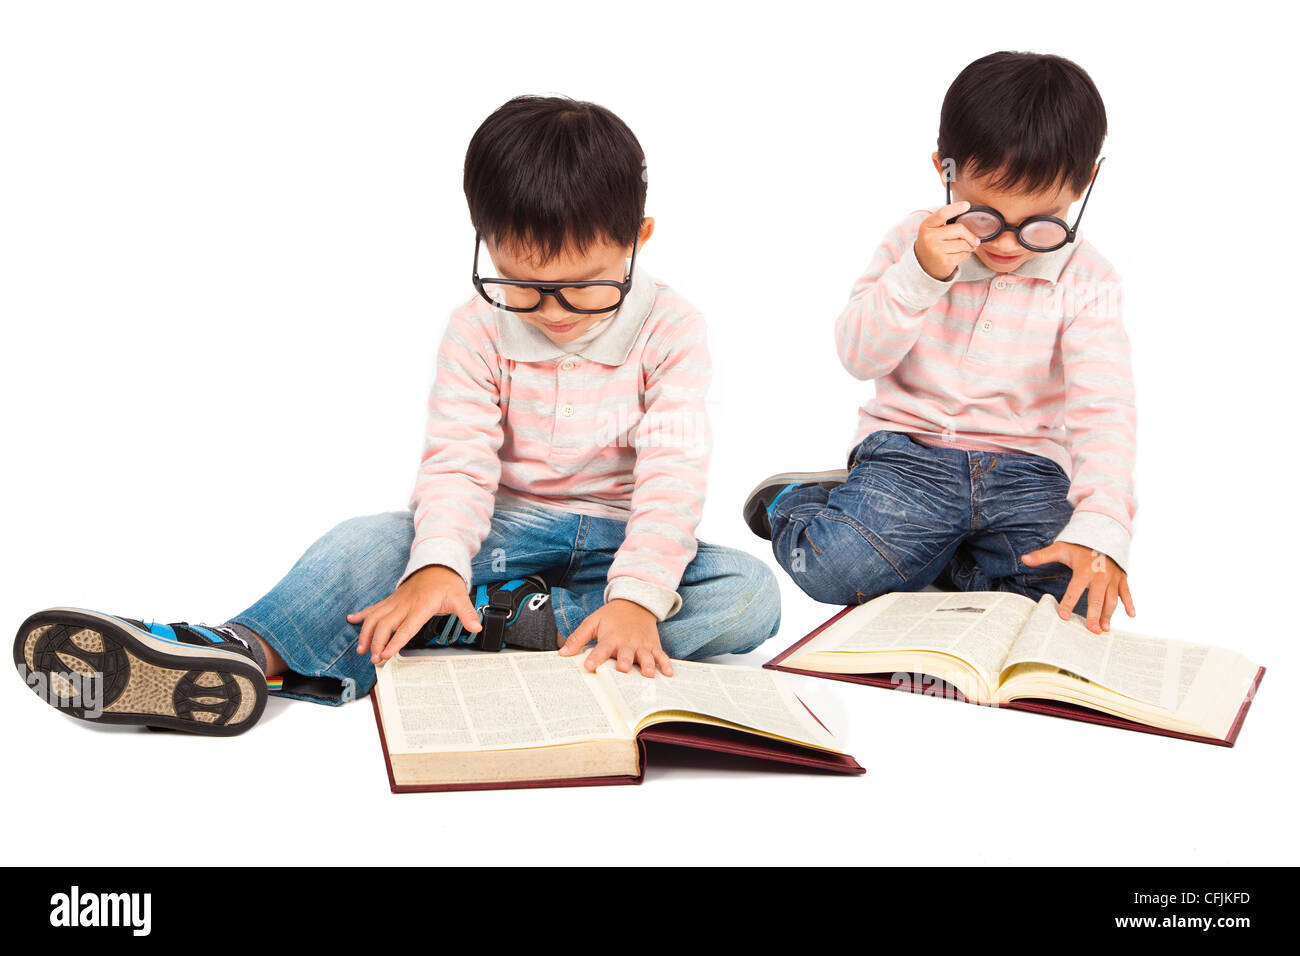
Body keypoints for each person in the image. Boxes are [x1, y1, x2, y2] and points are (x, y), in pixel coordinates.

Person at [14, 95, 781, 736]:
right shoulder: (476, 330)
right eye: (520, 284)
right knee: (369, 543)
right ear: (486, 242)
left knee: (749, 594)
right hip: (501, 533)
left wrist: (634, 600)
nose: (549, 312)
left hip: (623, 538)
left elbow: (673, 475)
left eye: (581, 288)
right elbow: (459, 461)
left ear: (636, 242)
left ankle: (475, 621)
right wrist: (440, 561)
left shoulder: (673, 329)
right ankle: (240, 651)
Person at [744, 51, 1137, 636]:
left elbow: (1104, 410)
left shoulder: (1089, 277)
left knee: (1071, 604)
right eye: (985, 217)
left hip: (1029, 470)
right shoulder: (912, 242)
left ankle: (945, 556)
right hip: (911, 456)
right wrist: (919, 276)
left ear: (1086, 183)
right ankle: (798, 503)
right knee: (836, 570)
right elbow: (859, 356)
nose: (1009, 243)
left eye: (1043, 222)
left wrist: (1103, 527)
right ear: (944, 169)